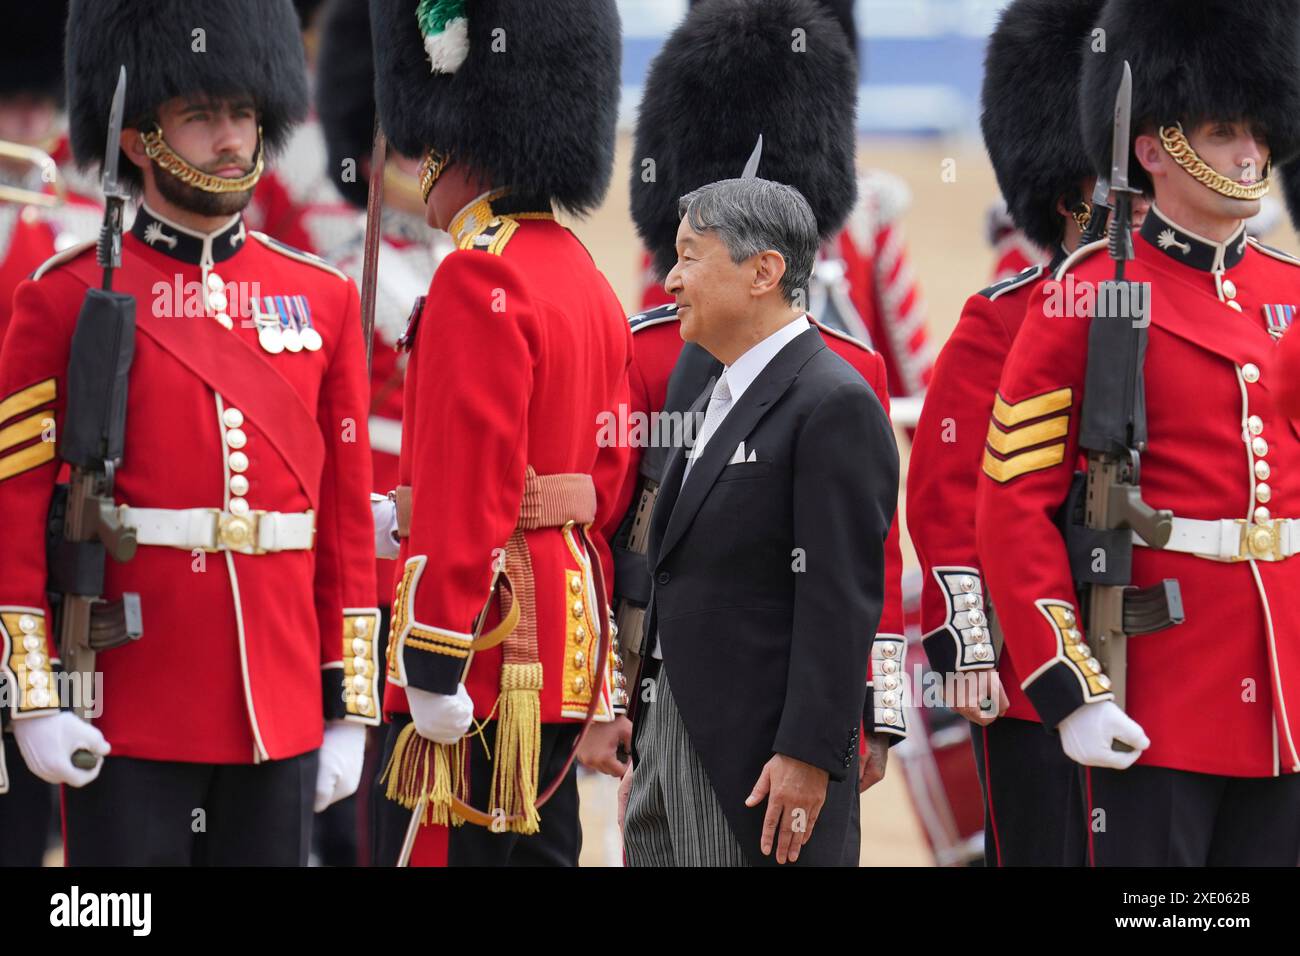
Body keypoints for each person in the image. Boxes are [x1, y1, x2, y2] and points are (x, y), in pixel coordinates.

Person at [0, 0, 378, 865]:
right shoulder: (63, 298)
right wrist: (31, 695)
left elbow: (345, 526)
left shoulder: (322, 299)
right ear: (138, 140)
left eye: (243, 114)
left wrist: (347, 706)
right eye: (201, 116)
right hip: (128, 705)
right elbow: (14, 513)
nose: (231, 138)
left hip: (276, 706)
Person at [977, 0, 1300, 865]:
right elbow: (1013, 506)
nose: (1250, 153)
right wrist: (1071, 687)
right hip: (1158, 693)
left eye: (1257, 132)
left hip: (1287, 695)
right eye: (1226, 129)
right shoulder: (1087, 293)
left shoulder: (1287, 291)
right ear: (1155, 149)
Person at [602, 2, 907, 832]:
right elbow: (620, 526)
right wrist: (605, 690)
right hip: (655, 685)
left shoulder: (848, 369)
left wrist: (874, 706)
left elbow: (866, 556)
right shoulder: (645, 353)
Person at [367, 0, 630, 868]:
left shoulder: (479, 273)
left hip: (485, 640)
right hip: (564, 641)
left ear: (454, 145)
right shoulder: (582, 275)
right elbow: (611, 472)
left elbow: (473, 484)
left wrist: (435, 651)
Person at [908, 0, 1147, 867]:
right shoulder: (1002, 322)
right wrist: (970, 646)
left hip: (1170, 653)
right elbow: (947, 499)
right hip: (1030, 673)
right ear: (1070, 200)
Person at [623, 176, 899, 866]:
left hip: (754, 762)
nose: (670, 281)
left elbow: (840, 600)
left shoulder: (832, 401)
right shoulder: (718, 386)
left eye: (690, 257)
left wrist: (807, 753)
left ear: (763, 272)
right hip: (673, 736)